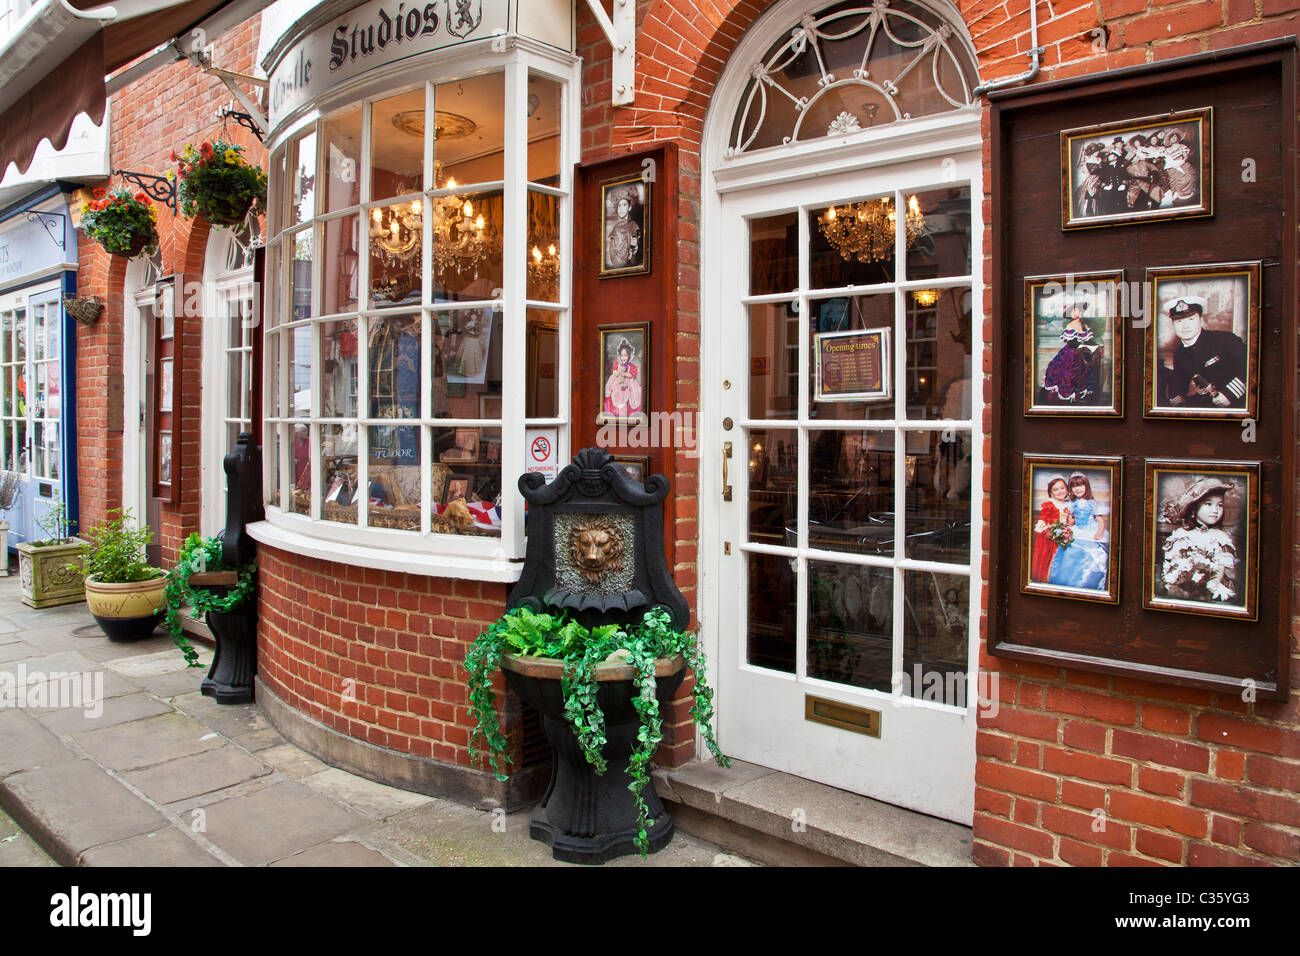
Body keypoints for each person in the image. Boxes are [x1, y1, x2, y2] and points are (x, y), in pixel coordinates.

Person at [1159, 476, 1238, 603]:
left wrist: (1212, 584)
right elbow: (1171, 571)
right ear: (1193, 508)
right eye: (1208, 504)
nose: (1215, 510)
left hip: (1213, 593)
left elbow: (1224, 571)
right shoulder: (1181, 537)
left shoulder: (1221, 538)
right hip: (1183, 591)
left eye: (1220, 505)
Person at [1161, 297, 1248, 408]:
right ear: (1173, 324)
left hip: (1239, 406)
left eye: (1191, 319)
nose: (1185, 326)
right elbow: (1177, 388)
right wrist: (1179, 405)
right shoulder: (1180, 353)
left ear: (1201, 320)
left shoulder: (1225, 340)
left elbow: (1252, 364)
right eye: (1179, 321)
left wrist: (1229, 394)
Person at [1048, 472, 1109, 590]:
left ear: (1087, 487)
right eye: (1074, 486)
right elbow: (1071, 518)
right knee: (1069, 549)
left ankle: (1085, 581)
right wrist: (1068, 524)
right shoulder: (1072, 503)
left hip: (1091, 529)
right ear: (1071, 489)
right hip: (1078, 529)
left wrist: (1099, 533)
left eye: (1081, 485)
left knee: (1088, 551)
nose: (1078, 488)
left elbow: (1100, 520)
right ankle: (1066, 579)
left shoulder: (1092, 503)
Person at [1041, 299, 1101, 404]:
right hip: (1071, 354)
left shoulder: (1085, 326)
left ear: (1081, 312)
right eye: (1072, 311)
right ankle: (1068, 397)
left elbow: (1089, 340)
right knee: (1068, 374)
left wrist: (1094, 345)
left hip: (1083, 354)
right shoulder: (1070, 326)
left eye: (1075, 310)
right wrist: (1082, 346)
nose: (1073, 313)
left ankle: (1082, 396)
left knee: (1087, 370)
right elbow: (1071, 343)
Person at [1031, 476, 1072, 583]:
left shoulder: (1068, 505)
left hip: (1062, 535)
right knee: (1049, 560)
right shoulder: (1050, 505)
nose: (1060, 491)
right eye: (1055, 489)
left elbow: (1067, 522)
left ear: (1067, 489)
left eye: (1062, 488)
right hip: (1049, 537)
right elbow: (1042, 521)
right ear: (1051, 492)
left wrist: (1069, 525)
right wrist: (1047, 531)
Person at [603, 339, 643, 419]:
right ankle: (616, 412)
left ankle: (628, 412)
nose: (623, 358)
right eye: (622, 355)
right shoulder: (618, 363)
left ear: (629, 355)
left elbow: (630, 375)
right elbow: (614, 371)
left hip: (628, 383)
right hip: (618, 382)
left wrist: (623, 373)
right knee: (615, 393)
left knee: (632, 395)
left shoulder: (631, 366)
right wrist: (616, 373)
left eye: (625, 355)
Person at [605, 185, 642, 268]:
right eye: (619, 206)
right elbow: (612, 251)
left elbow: (636, 246)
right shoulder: (615, 229)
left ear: (629, 207)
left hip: (631, 264)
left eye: (624, 205)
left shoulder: (633, 225)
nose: (621, 208)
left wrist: (633, 249)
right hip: (618, 265)